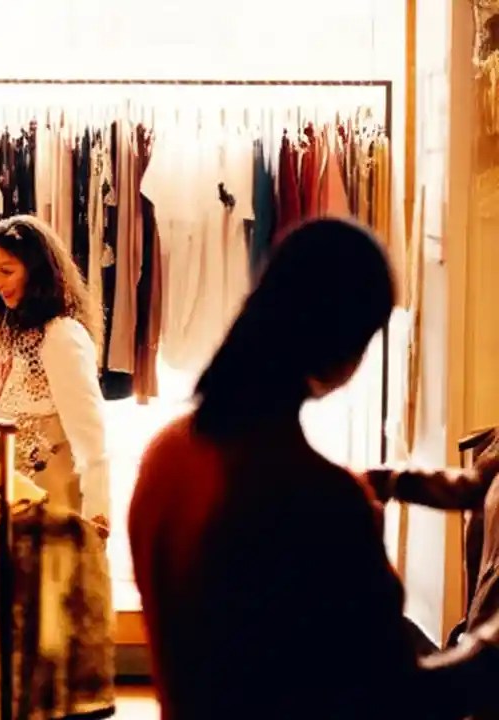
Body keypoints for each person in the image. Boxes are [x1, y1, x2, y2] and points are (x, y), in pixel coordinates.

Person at [129, 218, 499, 720]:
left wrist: (389, 482)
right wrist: (490, 648)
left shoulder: (170, 453)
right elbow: (400, 698)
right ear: (347, 349)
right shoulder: (314, 498)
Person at [0, 216, 110, 530]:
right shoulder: (13, 330)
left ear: (36, 270)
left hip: (50, 502)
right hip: (14, 498)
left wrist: (97, 515)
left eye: (7, 271)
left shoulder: (61, 335)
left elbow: (91, 437)